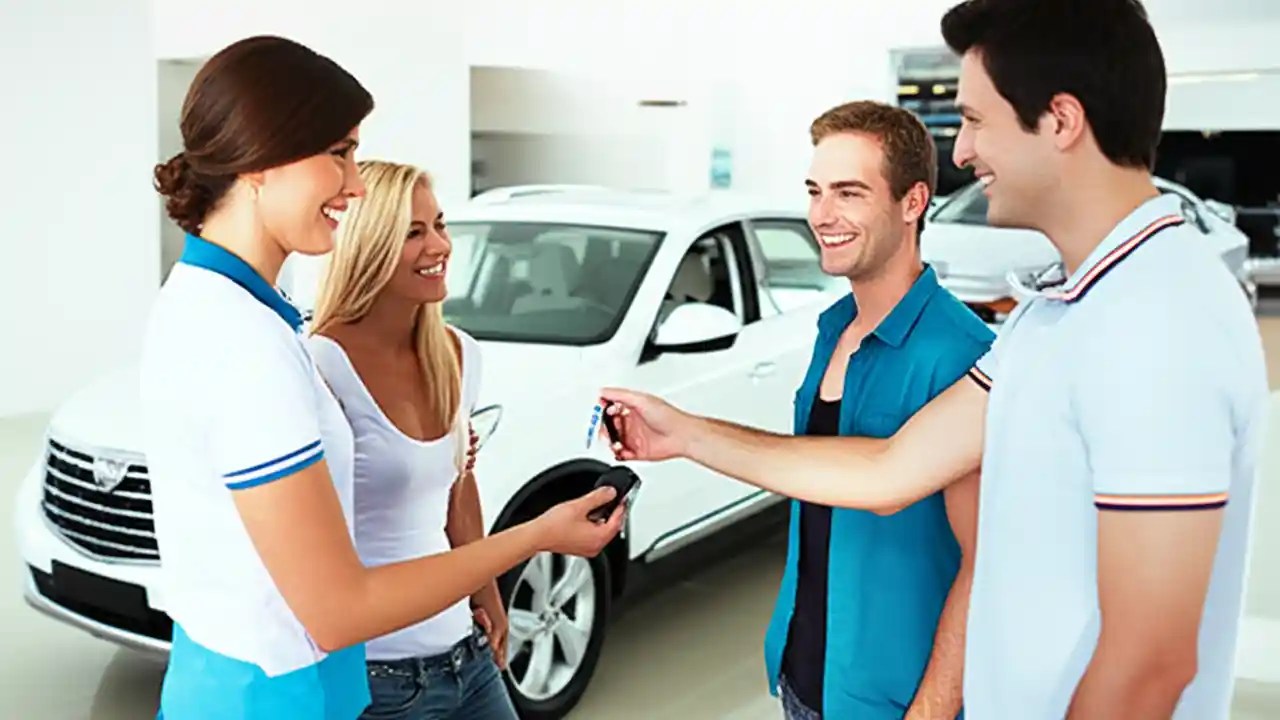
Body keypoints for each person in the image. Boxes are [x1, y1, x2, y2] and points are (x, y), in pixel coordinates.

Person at [598, 1, 1268, 718]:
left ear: (1061, 121)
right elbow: (891, 469)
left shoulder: (1158, 316)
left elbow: (1149, 668)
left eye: (976, 120)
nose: (963, 152)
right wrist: (687, 434)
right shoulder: (1055, 316)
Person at [142, 35, 624, 720]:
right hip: (278, 700)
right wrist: (536, 536)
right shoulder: (249, 344)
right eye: (338, 154)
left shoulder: (208, 303)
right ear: (258, 161)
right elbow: (339, 611)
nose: (356, 185)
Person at [759, 101, 989, 720]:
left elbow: (986, 562)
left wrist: (934, 709)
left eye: (849, 193)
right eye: (815, 191)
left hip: (894, 702)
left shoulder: (963, 354)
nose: (821, 215)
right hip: (803, 677)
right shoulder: (832, 329)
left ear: (912, 202)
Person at [306, 159, 518, 720]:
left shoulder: (458, 353)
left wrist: (487, 592)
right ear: (368, 245)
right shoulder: (321, 363)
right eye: (413, 232)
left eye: (440, 225)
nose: (440, 246)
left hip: (466, 657)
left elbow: (457, 491)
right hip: (378, 677)